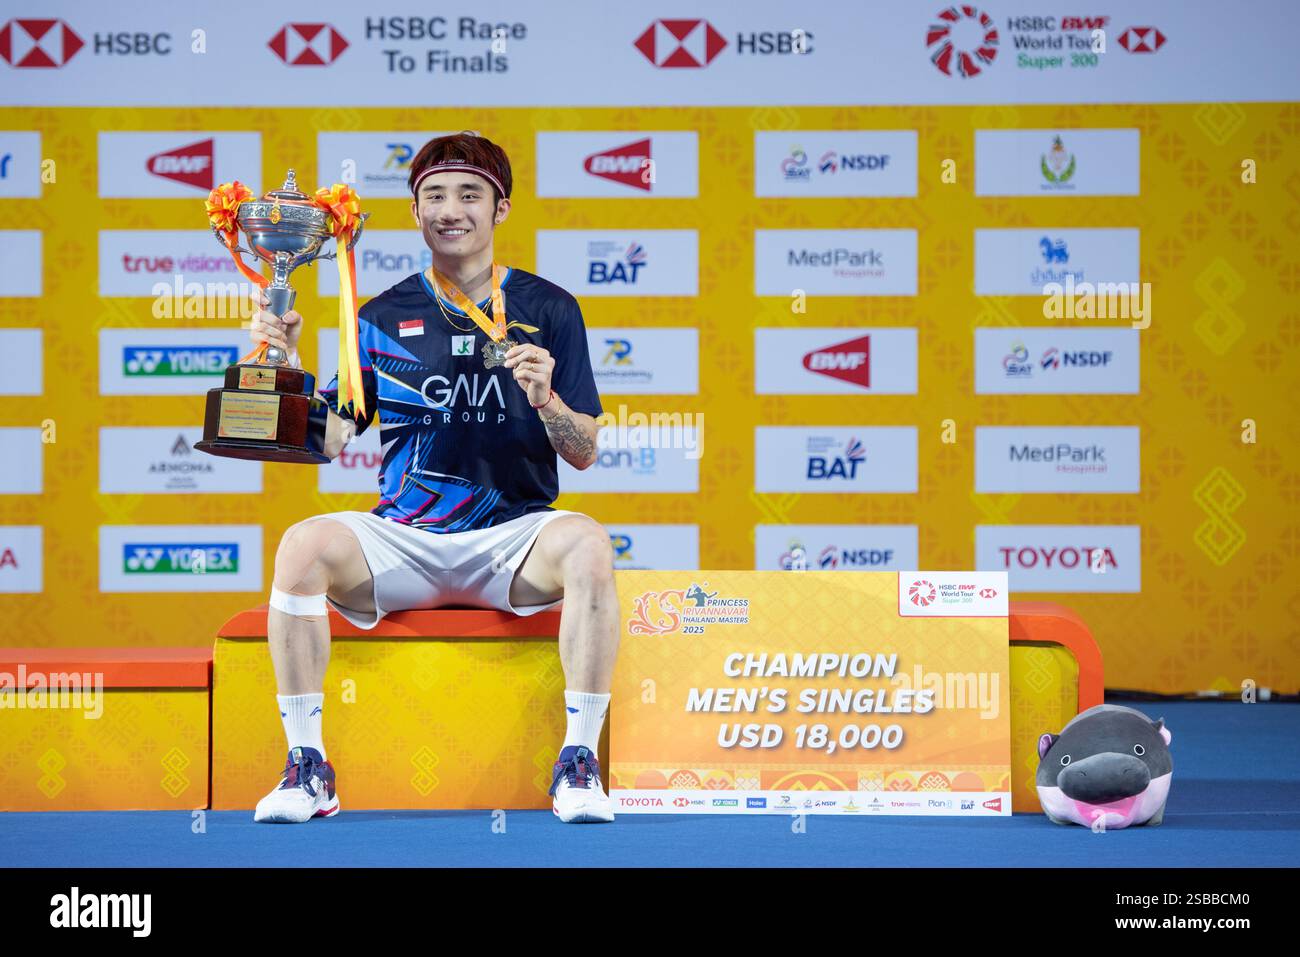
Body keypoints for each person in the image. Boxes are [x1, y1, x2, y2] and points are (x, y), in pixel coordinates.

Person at [247, 132, 618, 824]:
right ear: (416, 212)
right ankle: (307, 767)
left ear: (501, 208)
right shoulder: (379, 316)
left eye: (469, 195)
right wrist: (288, 367)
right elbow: (331, 439)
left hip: (513, 540)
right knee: (300, 545)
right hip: (406, 540)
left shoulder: (551, 308)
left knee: (591, 546)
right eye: (434, 196)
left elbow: (585, 450)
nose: (451, 210)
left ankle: (578, 762)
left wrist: (547, 401)